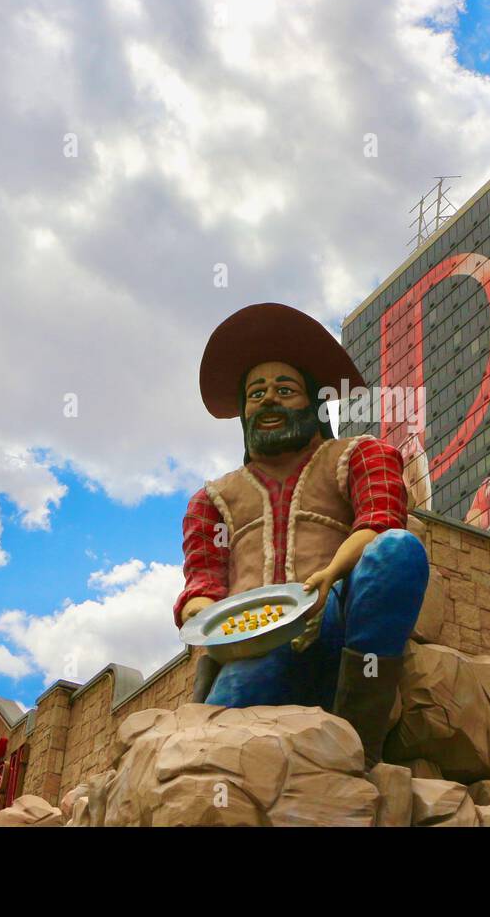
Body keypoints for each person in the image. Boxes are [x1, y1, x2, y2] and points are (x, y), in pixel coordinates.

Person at [174, 302, 429, 768]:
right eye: (256, 393)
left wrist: (330, 575)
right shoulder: (212, 499)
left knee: (398, 549)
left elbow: (380, 521)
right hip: (255, 641)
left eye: (284, 389)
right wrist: (208, 624)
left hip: (339, 623)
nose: (268, 400)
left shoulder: (359, 454)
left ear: (313, 402)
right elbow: (202, 585)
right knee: (208, 756)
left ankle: (357, 737)